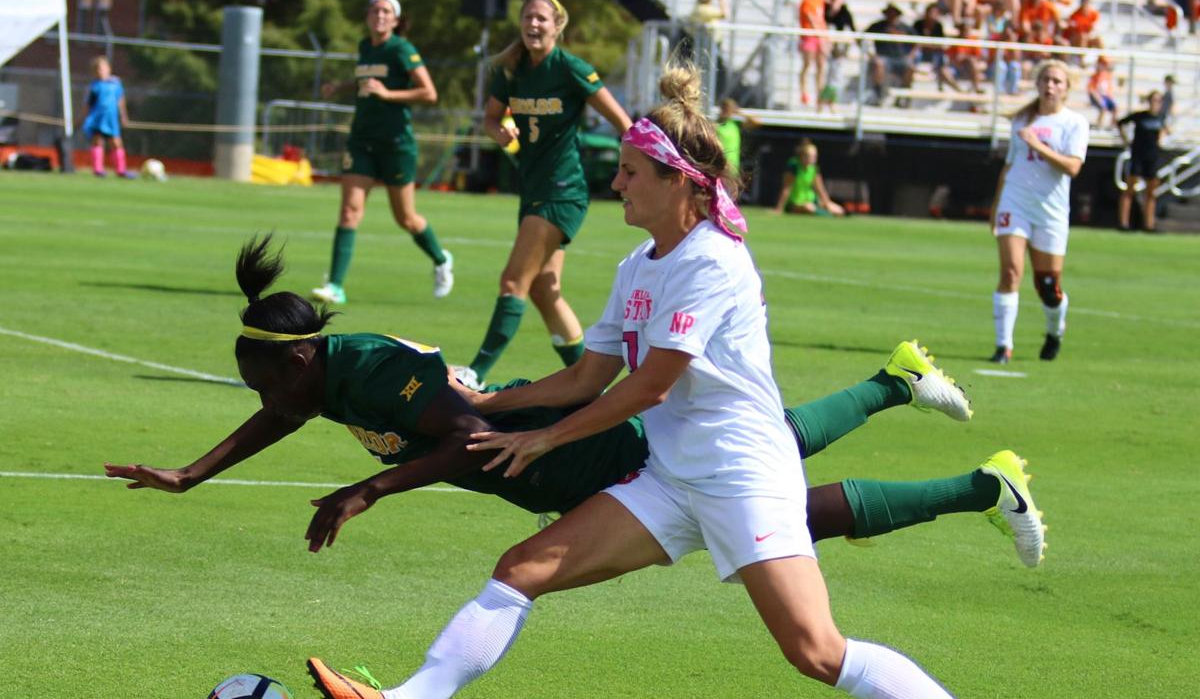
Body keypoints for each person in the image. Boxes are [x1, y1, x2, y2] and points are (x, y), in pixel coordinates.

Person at [304, 63, 1044, 699]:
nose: (615, 182)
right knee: (522, 568)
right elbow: (590, 374)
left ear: (678, 182)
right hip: (669, 478)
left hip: (745, 477)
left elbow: (652, 386)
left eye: (628, 172)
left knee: (816, 651)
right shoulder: (636, 266)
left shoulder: (714, 262)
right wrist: (489, 404)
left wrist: (545, 437)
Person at [105, 237, 1046, 568]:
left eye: (265, 375)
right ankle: (901, 388)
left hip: (603, 455)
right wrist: (191, 474)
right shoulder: (319, 380)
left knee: (791, 501)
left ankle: (972, 471)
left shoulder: (372, 371)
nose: (262, 394)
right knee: (786, 472)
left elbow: (472, 438)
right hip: (576, 470)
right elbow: (279, 416)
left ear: (304, 356)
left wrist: (370, 493)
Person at [454, 0, 632, 390]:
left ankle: (476, 374)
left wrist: (635, 171)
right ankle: (590, 386)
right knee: (543, 292)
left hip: (563, 191)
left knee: (512, 281)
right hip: (533, 191)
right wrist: (498, 130)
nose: (534, 25)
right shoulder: (511, 69)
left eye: (542, 19)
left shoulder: (570, 68)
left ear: (557, 26)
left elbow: (623, 123)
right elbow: (489, 118)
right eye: (528, 17)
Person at [311, 0, 453, 306]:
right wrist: (341, 87)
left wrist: (388, 95)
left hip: (396, 145)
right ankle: (335, 285)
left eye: (386, 11)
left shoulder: (402, 49)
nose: (380, 15)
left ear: (396, 19)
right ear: (367, 15)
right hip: (361, 141)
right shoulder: (365, 47)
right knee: (349, 211)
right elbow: (367, 81)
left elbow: (429, 93)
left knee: (406, 218)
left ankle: (441, 258)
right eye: (375, 9)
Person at [988, 59, 1088, 363]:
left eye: (1057, 81)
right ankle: (1004, 346)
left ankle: (1054, 331)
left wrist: (1038, 145)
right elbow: (1009, 165)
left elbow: (1072, 167)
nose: (1050, 85)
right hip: (1015, 202)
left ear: (1067, 88)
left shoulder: (1074, 123)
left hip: (1051, 211)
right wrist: (995, 205)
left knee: (1047, 286)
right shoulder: (1022, 119)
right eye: (1046, 79)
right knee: (1010, 272)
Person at [1117, 91, 1167, 232]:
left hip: (1152, 158)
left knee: (1151, 193)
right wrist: (1125, 140)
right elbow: (1120, 123)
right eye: (1153, 100)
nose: (1155, 103)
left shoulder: (1161, 118)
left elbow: (1164, 131)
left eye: (1158, 101)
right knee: (1130, 190)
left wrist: (1162, 137)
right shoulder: (1140, 116)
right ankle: (1123, 223)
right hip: (1138, 156)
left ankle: (1149, 224)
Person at [82, 56, 133, 179]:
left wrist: (123, 116)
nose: (100, 72)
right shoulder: (94, 86)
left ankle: (121, 170)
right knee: (98, 142)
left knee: (116, 143)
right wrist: (83, 118)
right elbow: (88, 105)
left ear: (108, 69)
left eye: (102, 68)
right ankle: (98, 170)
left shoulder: (115, 84)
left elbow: (120, 101)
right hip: (98, 119)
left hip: (111, 120)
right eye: (97, 70)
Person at [772, 139, 845, 215]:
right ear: (802, 156)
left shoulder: (814, 169)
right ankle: (825, 215)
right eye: (810, 156)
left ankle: (825, 213)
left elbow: (820, 189)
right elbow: (787, 188)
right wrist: (779, 208)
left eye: (815, 156)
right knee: (809, 208)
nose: (813, 159)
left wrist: (827, 204)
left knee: (839, 210)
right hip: (795, 203)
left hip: (811, 201)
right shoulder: (794, 166)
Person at [866, 4, 917, 105]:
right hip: (883, 57)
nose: (891, 15)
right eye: (889, 12)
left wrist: (911, 56)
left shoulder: (905, 28)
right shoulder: (878, 26)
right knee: (878, 64)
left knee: (910, 66)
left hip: (900, 58)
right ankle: (879, 94)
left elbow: (917, 43)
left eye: (893, 12)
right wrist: (871, 54)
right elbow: (862, 39)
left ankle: (903, 96)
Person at [798, 0, 830, 106]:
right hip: (810, 36)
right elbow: (812, 21)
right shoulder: (807, 0)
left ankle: (820, 96)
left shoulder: (819, 0)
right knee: (807, 64)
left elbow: (821, 20)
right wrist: (822, 37)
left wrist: (825, 37)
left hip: (819, 36)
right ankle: (804, 93)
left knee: (821, 66)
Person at [1087, 55, 1118, 130]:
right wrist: (1098, 98)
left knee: (1115, 108)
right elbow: (1091, 89)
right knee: (1103, 107)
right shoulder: (1095, 76)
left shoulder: (1107, 75)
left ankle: (1112, 125)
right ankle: (1099, 125)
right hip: (1097, 96)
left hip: (1106, 96)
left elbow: (1112, 67)